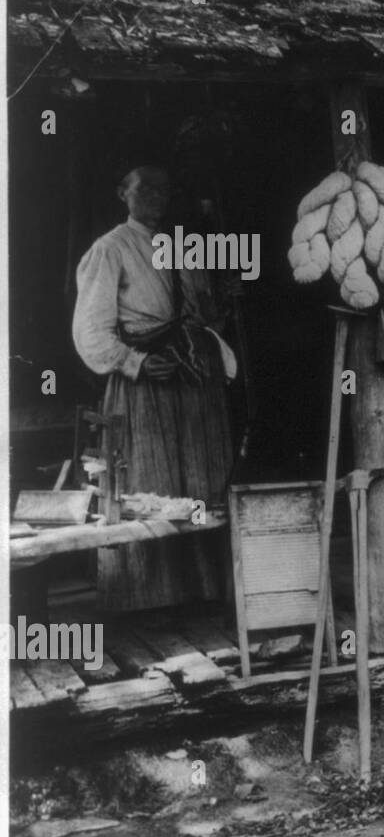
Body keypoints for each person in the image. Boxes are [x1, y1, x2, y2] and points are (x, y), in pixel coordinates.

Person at [72, 166, 235, 611]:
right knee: (152, 486)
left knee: (202, 481)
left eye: (165, 188)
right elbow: (90, 331)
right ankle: (151, 601)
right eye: (146, 189)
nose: (157, 196)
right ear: (123, 193)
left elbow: (205, 313)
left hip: (193, 382)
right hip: (147, 385)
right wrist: (137, 363)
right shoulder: (109, 250)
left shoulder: (183, 245)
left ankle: (205, 591)